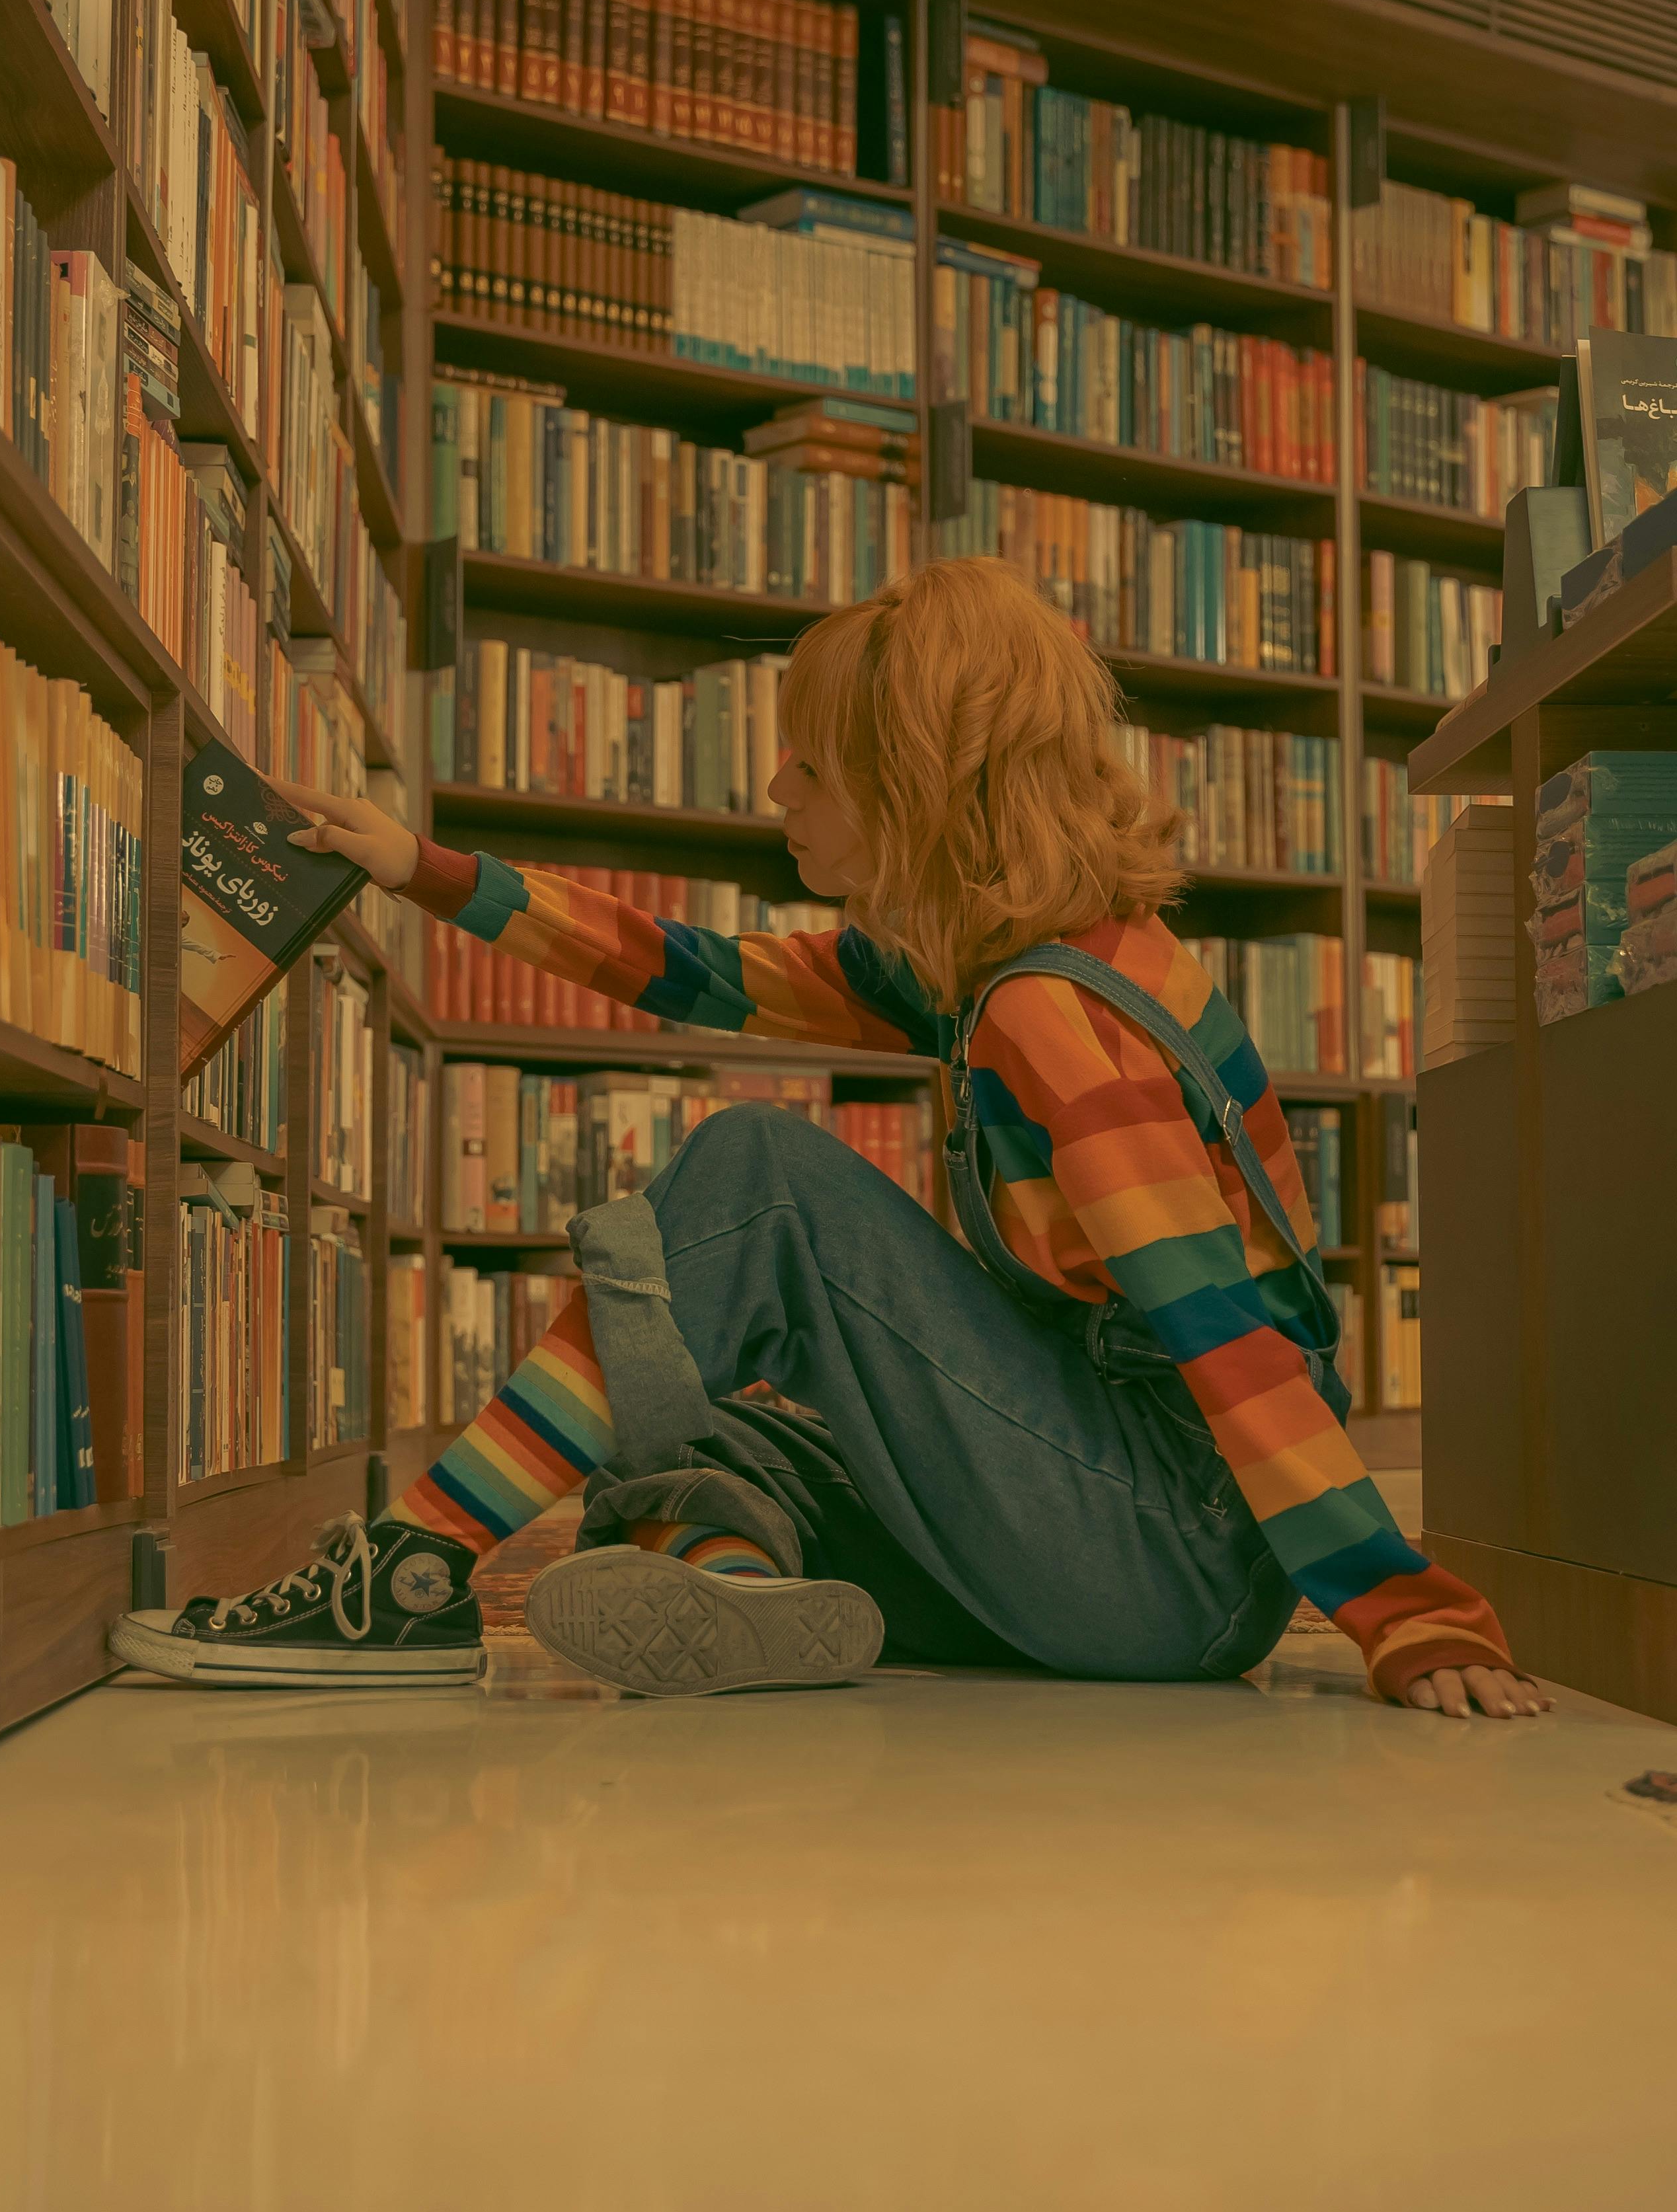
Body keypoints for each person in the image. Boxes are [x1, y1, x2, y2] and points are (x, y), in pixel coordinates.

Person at [111, 558, 1547, 1722]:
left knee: (757, 1177)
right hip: (1122, 1538)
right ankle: (740, 1586)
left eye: (809, 763)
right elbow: (692, 970)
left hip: (1158, 1565)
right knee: (658, 1391)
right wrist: (424, 870)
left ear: (912, 778)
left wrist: (1404, 1616)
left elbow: (1230, 1341)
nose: (778, 792)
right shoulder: (997, 967)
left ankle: (414, 1576)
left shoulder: (1056, 1013)